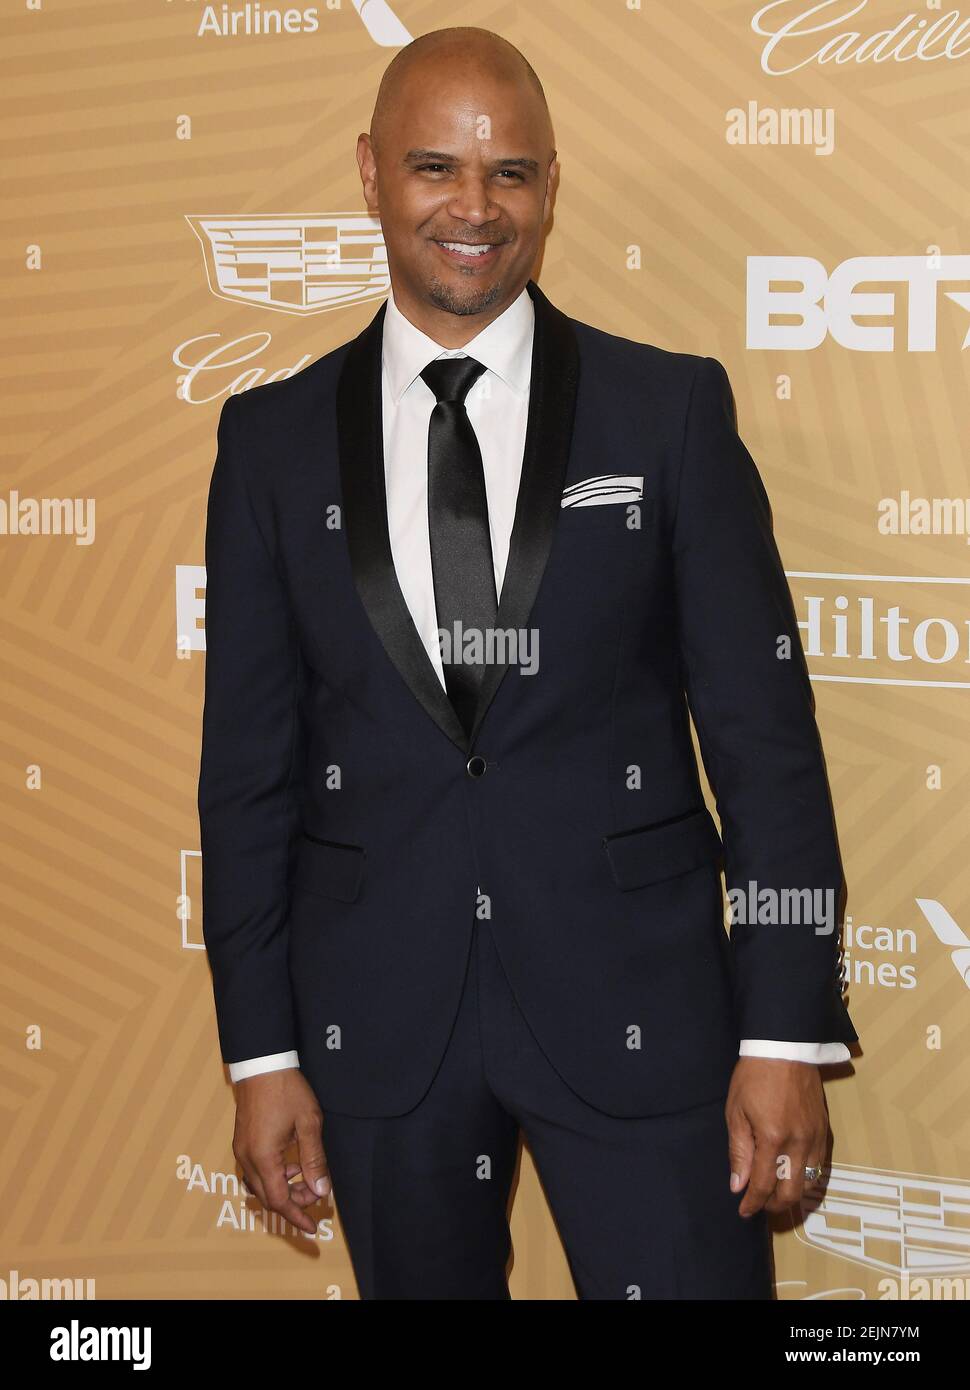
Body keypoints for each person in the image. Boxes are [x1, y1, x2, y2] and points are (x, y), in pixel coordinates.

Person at [197, 26, 858, 1300]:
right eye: (433, 166)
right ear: (369, 172)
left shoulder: (664, 413)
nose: (471, 207)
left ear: (552, 185)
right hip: (379, 1029)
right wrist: (260, 1051)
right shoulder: (269, 444)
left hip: (646, 1015)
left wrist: (782, 1027)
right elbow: (247, 775)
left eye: (509, 174)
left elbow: (765, 744)